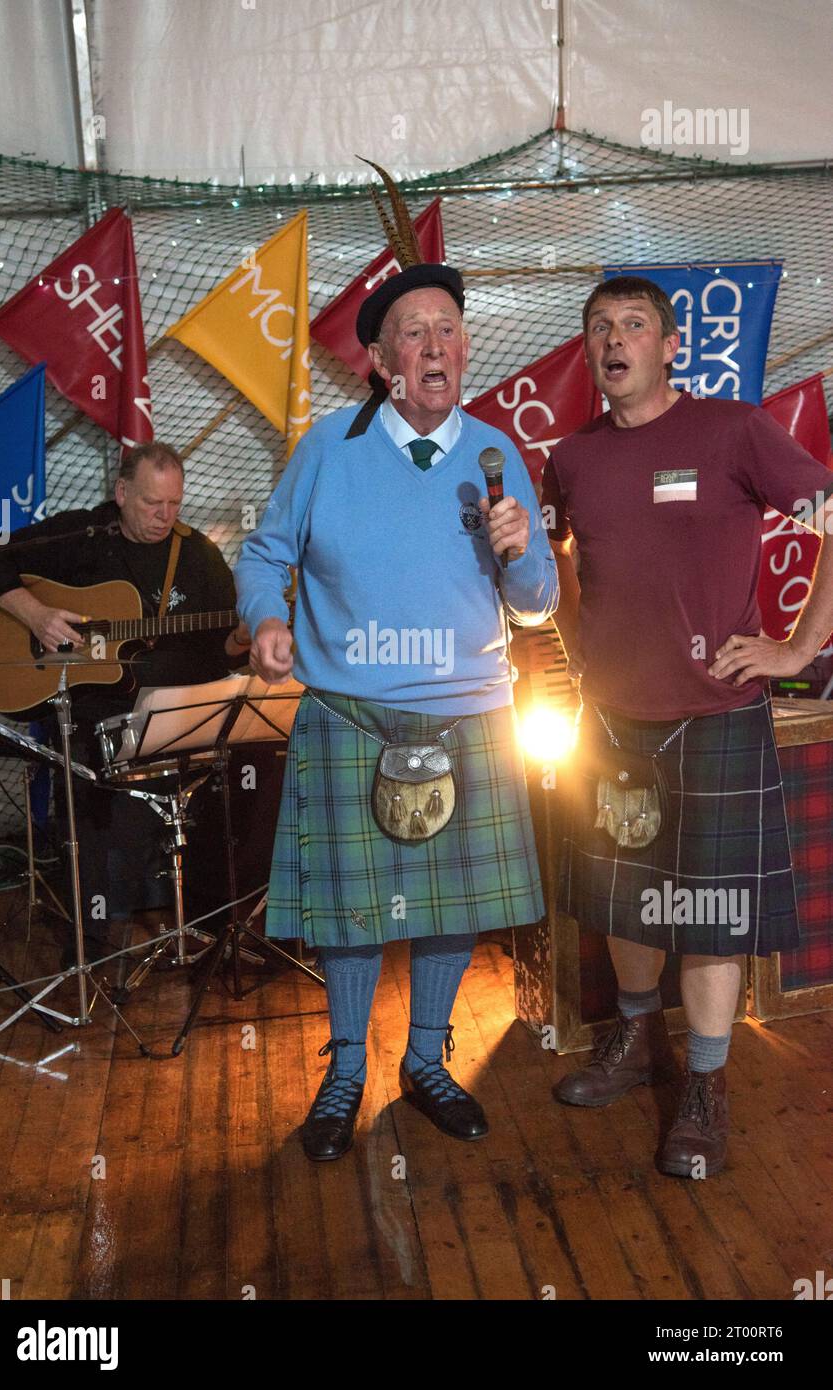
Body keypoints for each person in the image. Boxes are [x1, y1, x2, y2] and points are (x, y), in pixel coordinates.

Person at [235, 259, 557, 1161]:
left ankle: (425, 1060)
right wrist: (267, 619)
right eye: (413, 332)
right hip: (350, 717)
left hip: (471, 716)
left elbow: (537, 604)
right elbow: (264, 556)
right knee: (352, 911)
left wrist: (522, 551)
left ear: (465, 348)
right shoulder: (327, 450)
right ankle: (344, 1071)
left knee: (452, 908)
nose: (436, 346)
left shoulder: (498, 459)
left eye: (449, 328)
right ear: (381, 359)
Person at [541, 274, 833, 1177]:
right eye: (599, 327)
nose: (614, 339)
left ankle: (704, 1084)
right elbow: (551, 570)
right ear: (588, 350)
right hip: (609, 719)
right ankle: (635, 1044)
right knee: (627, 898)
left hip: (714, 717)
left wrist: (796, 648)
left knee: (709, 912)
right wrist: (574, 653)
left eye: (634, 324)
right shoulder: (573, 457)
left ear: (672, 346)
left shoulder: (732, 429)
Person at [0, 441, 250, 940]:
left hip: (172, 716)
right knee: (90, 799)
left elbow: (217, 652)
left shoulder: (198, 556)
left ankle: (192, 915)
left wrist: (239, 641)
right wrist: (37, 615)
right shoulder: (81, 534)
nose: (164, 516)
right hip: (89, 715)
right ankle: (94, 936)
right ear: (121, 492)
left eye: (174, 505)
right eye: (151, 503)